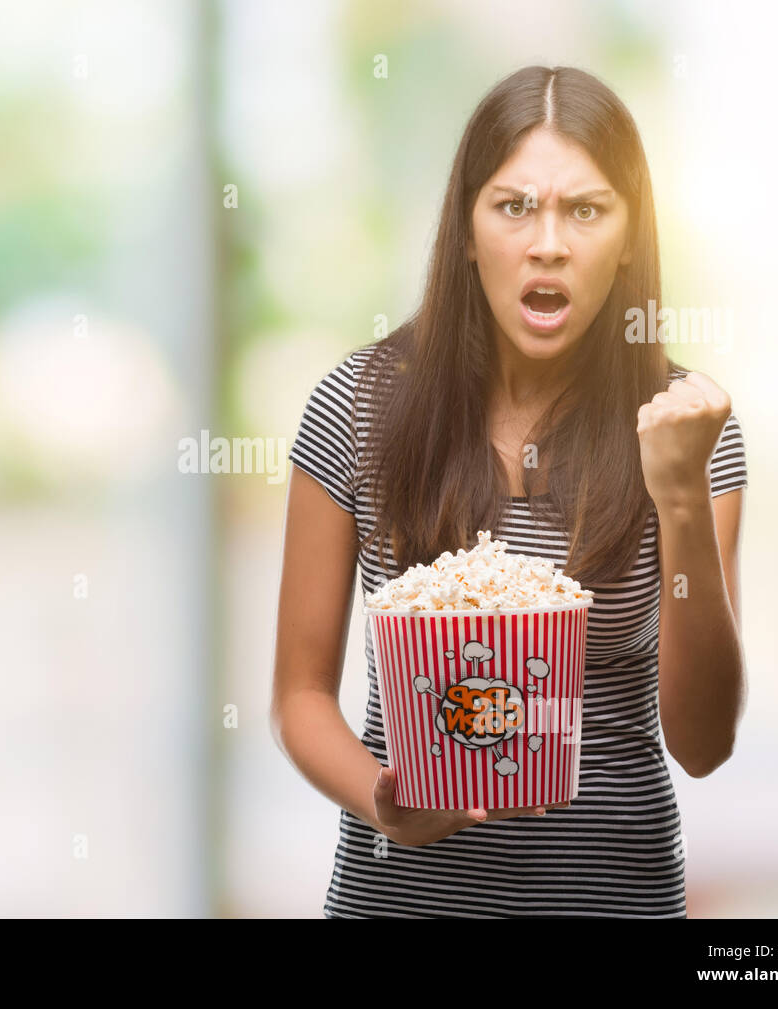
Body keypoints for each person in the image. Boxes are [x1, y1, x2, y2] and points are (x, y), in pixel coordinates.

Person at [269, 65, 748, 918]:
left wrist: (678, 498)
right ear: (466, 228)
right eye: (514, 205)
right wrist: (383, 797)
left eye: (587, 210)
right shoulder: (358, 405)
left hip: (612, 898)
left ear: (632, 235)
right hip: (400, 898)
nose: (549, 242)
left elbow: (703, 743)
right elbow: (299, 696)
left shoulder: (687, 425)